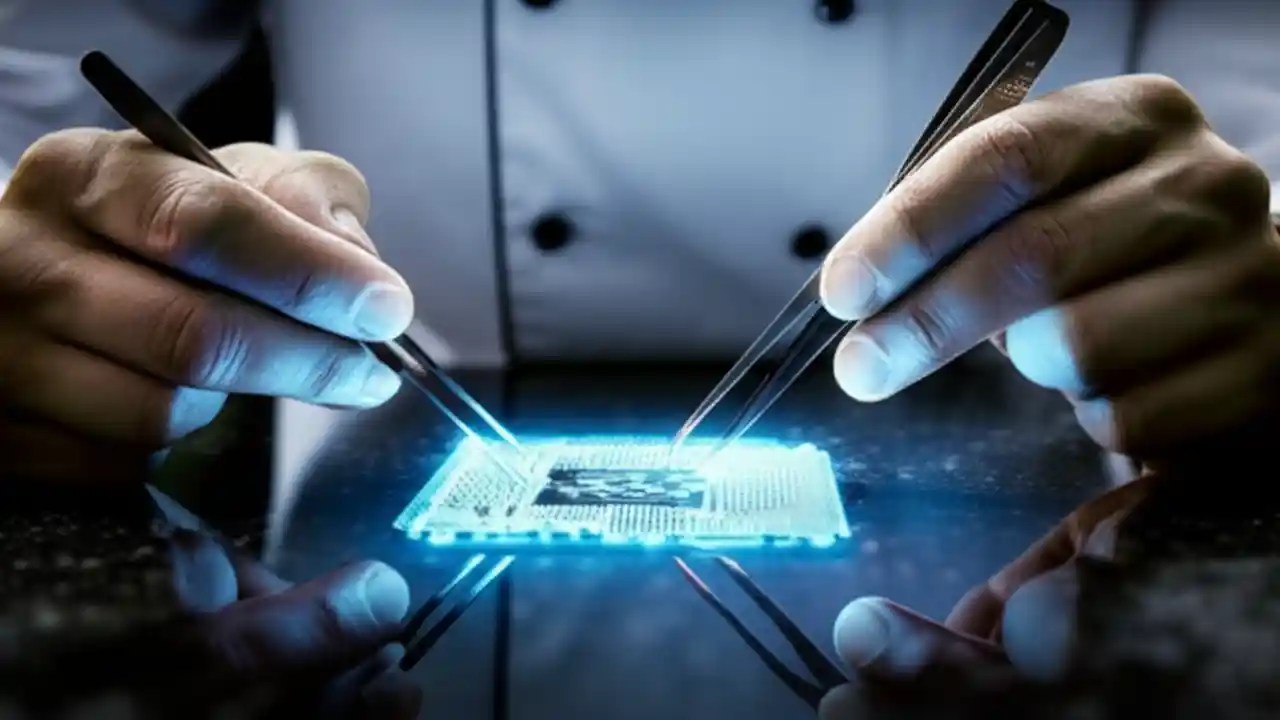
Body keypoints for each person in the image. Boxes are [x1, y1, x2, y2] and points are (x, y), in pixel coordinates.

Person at [1, 0, 1278, 716]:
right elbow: (34, 77)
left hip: (1023, 403)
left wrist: (1244, 257)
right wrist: (51, 263)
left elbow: (1250, 111)